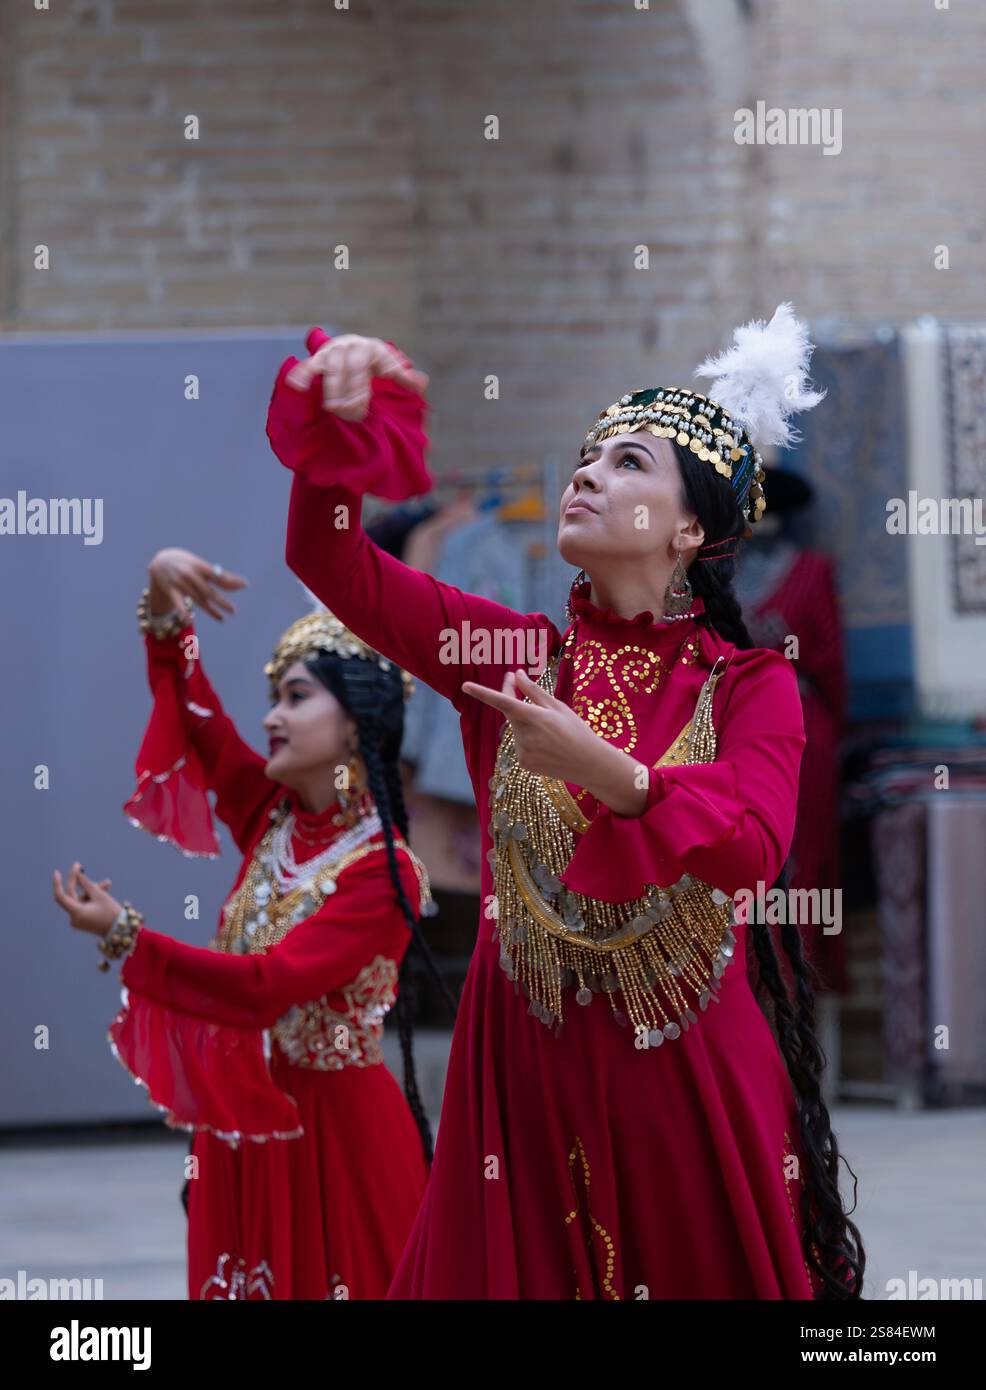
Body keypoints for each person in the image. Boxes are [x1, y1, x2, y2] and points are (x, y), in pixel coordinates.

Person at [264, 306, 865, 1299]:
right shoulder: (508, 657)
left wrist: (609, 772)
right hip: (521, 1062)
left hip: (680, 1062)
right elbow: (331, 563)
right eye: (585, 456)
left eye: (626, 460)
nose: (585, 473)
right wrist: (342, 423)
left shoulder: (745, 682)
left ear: (687, 530)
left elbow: (751, 846)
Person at [52, 549, 447, 1300]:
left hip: (338, 1140)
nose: (270, 716)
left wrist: (127, 939)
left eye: (295, 698)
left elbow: (269, 988)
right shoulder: (274, 818)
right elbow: (197, 719)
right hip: (247, 1129)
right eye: (273, 697)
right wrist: (166, 609)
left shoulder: (380, 872)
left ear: (355, 725)